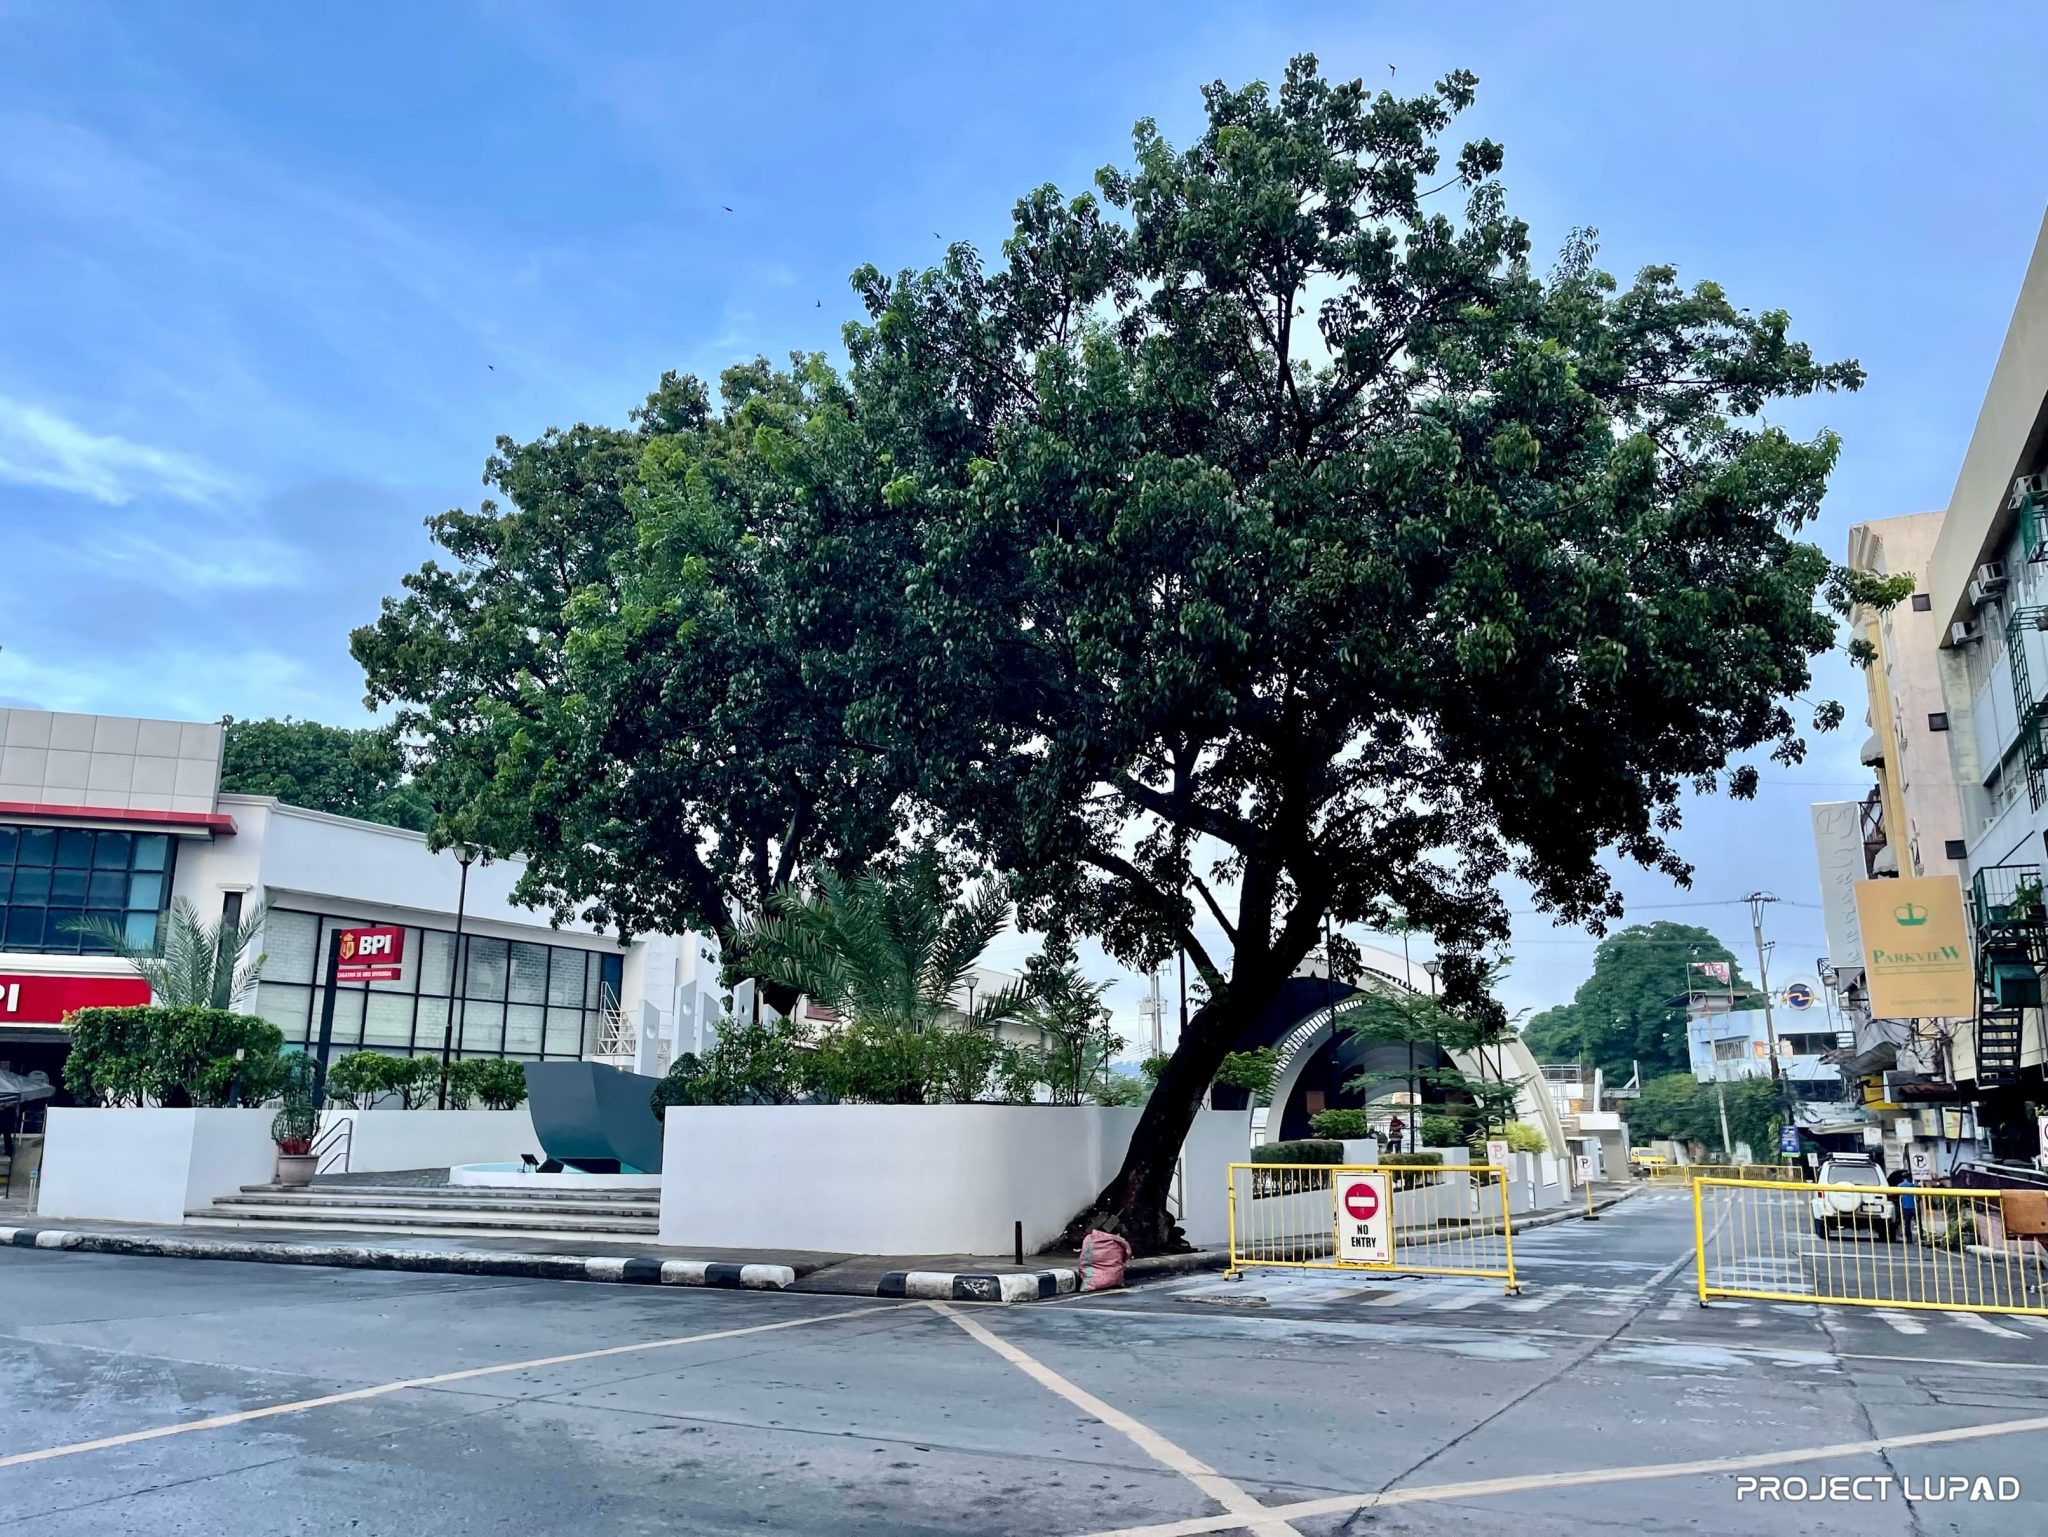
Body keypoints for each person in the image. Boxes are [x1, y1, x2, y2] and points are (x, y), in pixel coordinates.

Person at [1888, 1166, 1918, 1243]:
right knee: (1916, 1223)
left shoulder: (1900, 1186)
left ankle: (1909, 1238)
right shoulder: (1913, 1186)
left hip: (1905, 1207)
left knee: (1907, 1223)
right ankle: (1917, 1236)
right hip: (1913, 1207)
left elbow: (1895, 1195)